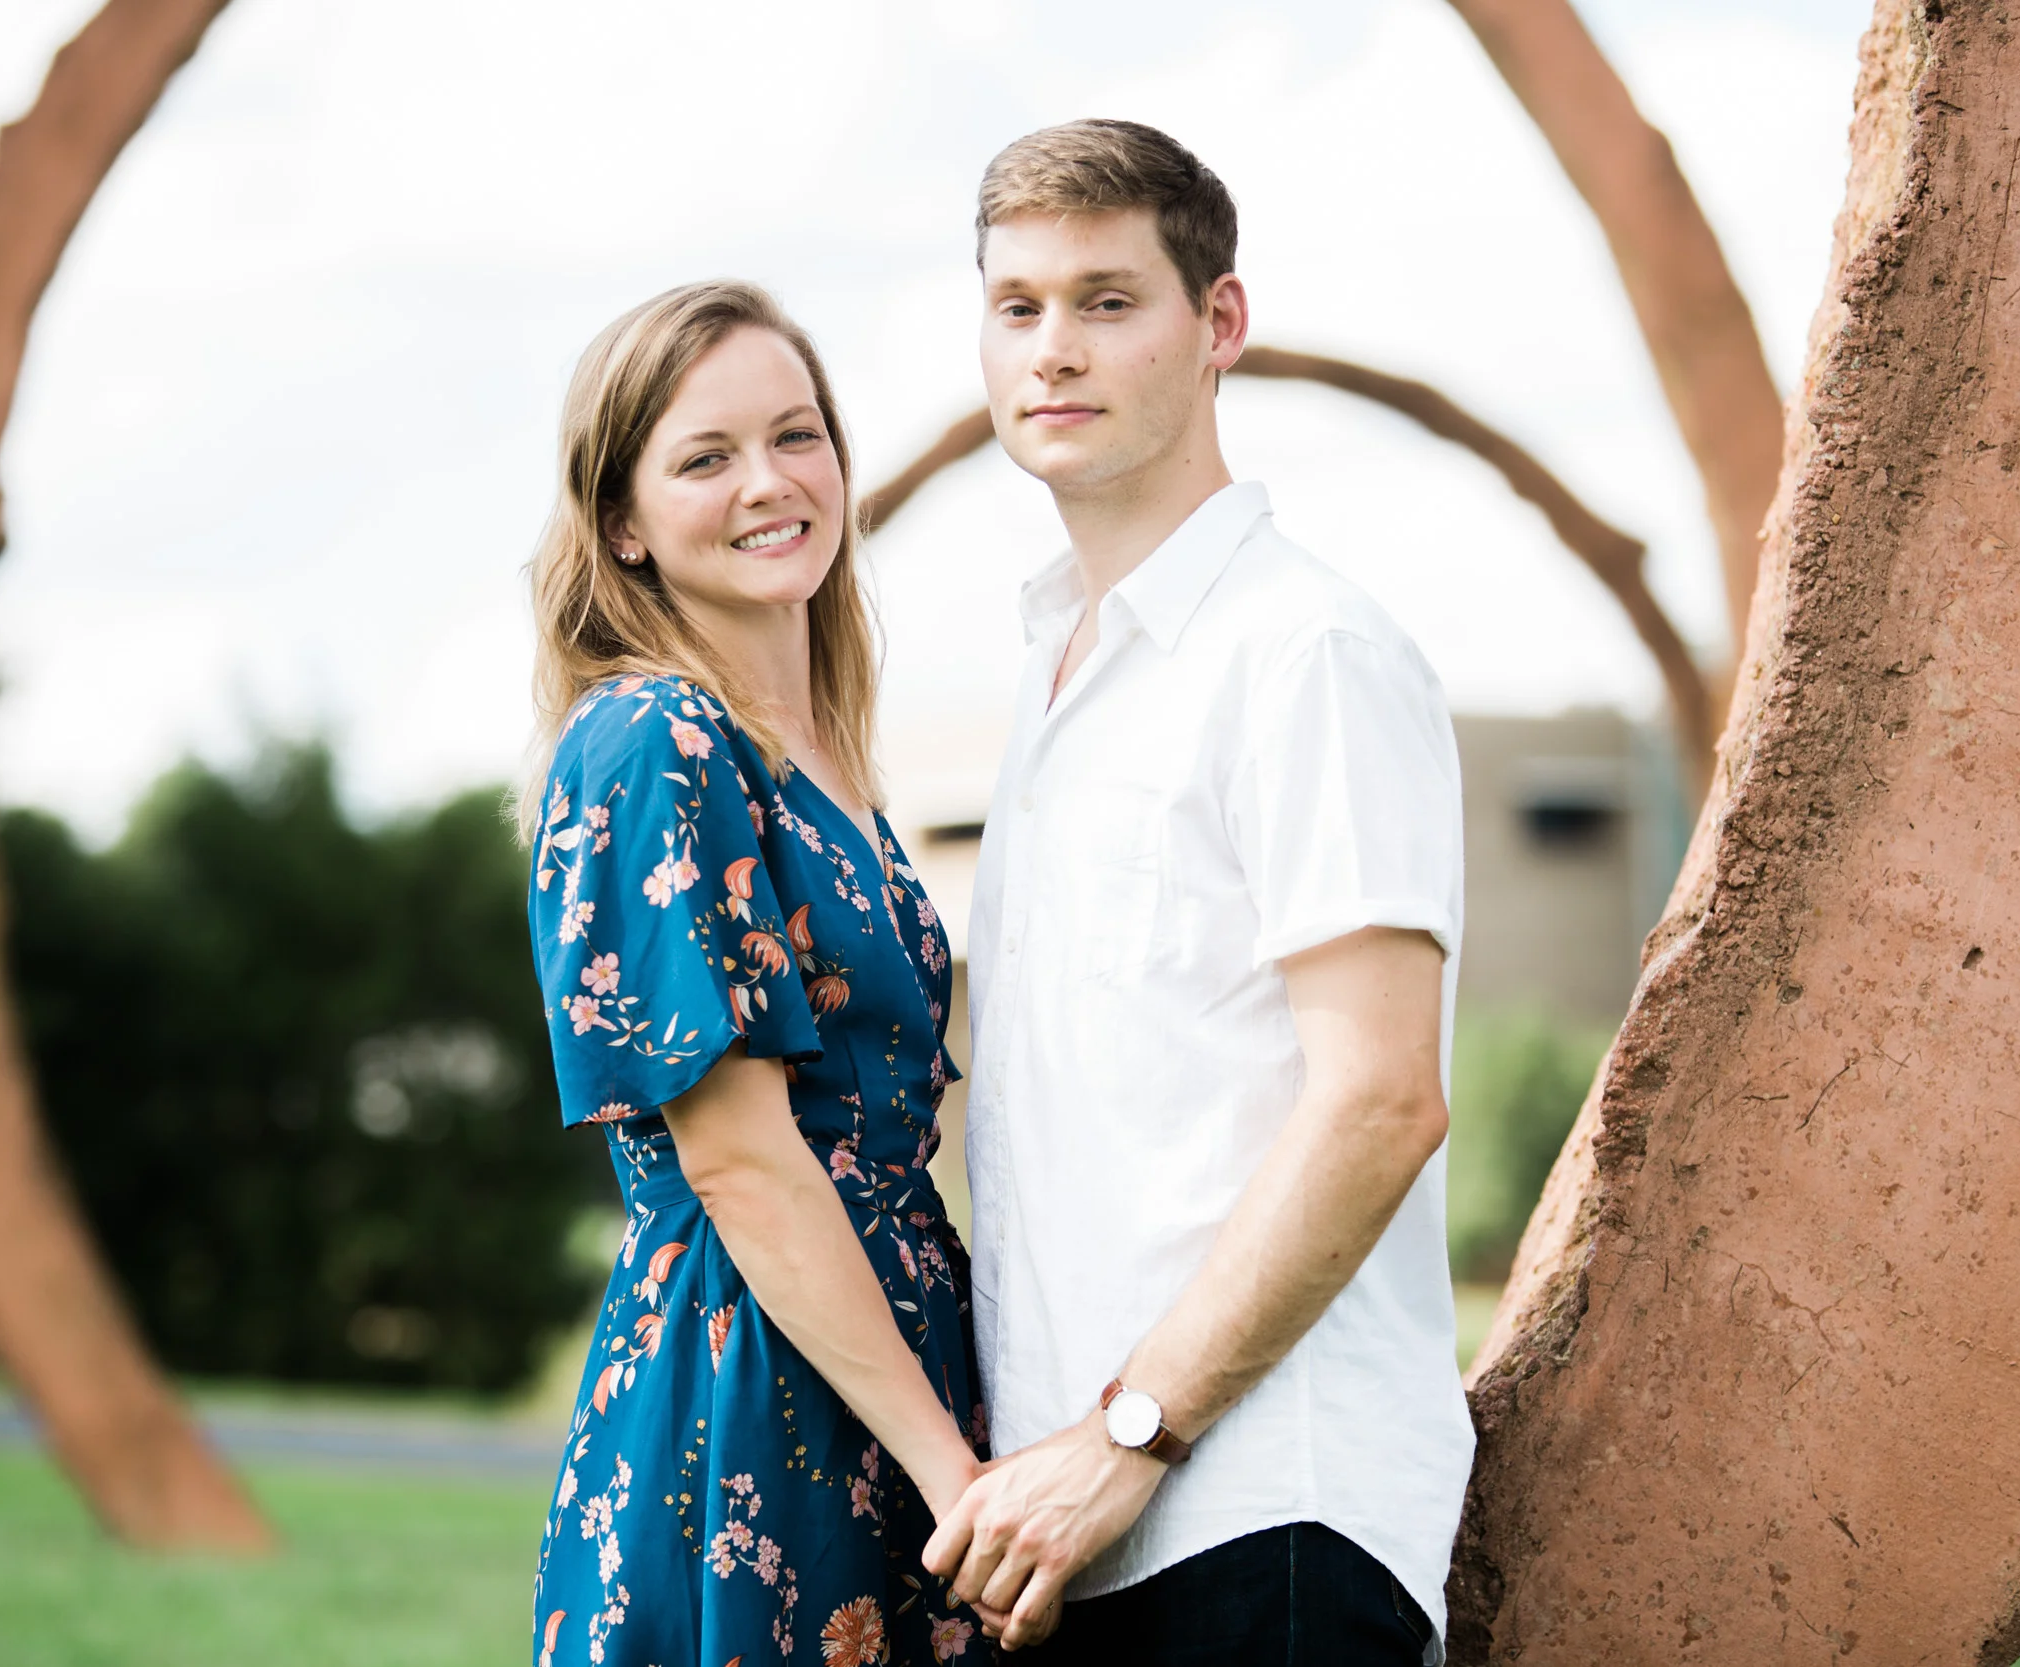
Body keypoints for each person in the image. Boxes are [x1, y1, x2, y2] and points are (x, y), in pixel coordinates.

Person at [921, 120, 1472, 1663]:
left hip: (1258, 1518)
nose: (1055, 351)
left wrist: (1135, 1431)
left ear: (1217, 324)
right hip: (1070, 1530)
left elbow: (1380, 1100)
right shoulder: (1054, 669)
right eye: (1017, 307)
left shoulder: (1306, 654)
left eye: (1108, 301)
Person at [525, 281, 993, 1667]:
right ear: (623, 522)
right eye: (706, 456)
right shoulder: (652, 739)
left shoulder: (826, 759)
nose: (770, 483)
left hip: (894, 1363)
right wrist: (951, 1478)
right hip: (752, 1394)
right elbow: (740, 1162)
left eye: (797, 436)